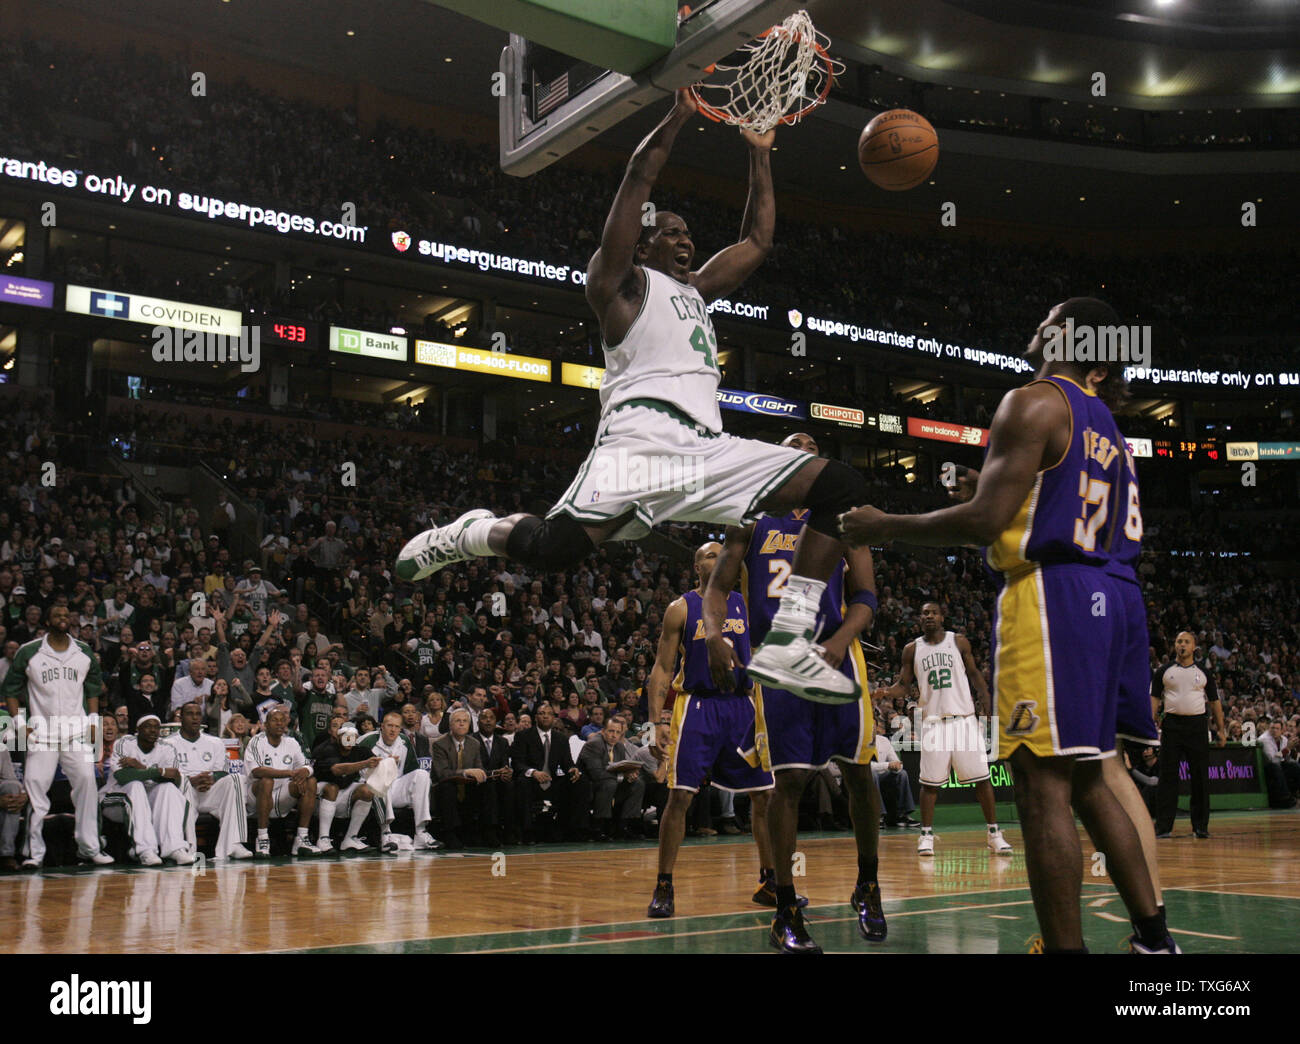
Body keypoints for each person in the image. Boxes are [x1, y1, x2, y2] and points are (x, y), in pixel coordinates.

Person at [395, 90, 878, 706]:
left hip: (707, 449)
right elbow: (639, 174)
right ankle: (472, 535)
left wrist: (759, 153)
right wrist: (679, 113)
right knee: (553, 550)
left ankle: (787, 639)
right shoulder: (617, 286)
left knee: (839, 485)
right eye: (672, 232)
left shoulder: (698, 292)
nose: (685, 241)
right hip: (637, 445)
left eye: (688, 234)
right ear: (643, 243)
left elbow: (757, 241)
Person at [840, 297, 1173, 954]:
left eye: (1054, 318)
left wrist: (885, 527)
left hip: (1053, 598)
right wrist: (990, 494)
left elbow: (986, 522)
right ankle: (1154, 939)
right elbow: (1029, 504)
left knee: (1038, 780)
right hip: (1112, 599)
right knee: (1085, 773)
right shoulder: (1100, 418)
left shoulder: (1033, 400)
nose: (1041, 322)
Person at [708, 431, 887, 952]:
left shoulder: (844, 516)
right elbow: (717, 588)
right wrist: (716, 634)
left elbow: (868, 596)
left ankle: (868, 883)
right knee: (787, 784)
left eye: (812, 446)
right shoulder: (752, 514)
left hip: (837, 657)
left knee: (859, 774)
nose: (804, 448)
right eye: (793, 445)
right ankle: (785, 907)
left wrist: (838, 641)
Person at [643, 542, 781, 923]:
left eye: (724, 553)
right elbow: (662, 666)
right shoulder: (681, 608)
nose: (718, 558)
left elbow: (750, 560)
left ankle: (771, 882)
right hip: (698, 706)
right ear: (696, 567)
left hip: (742, 704)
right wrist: (656, 721)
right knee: (679, 797)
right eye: (709, 554)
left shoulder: (747, 603)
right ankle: (664, 886)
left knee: (765, 797)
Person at [875, 602, 1012, 856]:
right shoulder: (911, 649)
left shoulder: (958, 641)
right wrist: (885, 691)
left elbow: (975, 677)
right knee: (930, 785)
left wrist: (988, 709)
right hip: (934, 723)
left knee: (982, 779)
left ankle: (994, 833)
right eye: (924, 612)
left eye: (933, 612)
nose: (928, 616)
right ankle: (925, 836)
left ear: (942, 616)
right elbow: (904, 685)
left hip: (964, 719)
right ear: (920, 618)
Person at [1, 604, 113, 868]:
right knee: (36, 788)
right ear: (47, 620)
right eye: (57, 616)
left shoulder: (83, 651)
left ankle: (90, 848)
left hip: (76, 731)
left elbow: (93, 690)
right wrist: (18, 723)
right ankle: (34, 853)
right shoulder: (29, 651)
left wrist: (94, 720)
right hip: (42, 732)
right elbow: (10, 689)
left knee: (87, 783)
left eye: (66, 615)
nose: (63, 619)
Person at [1152, 632, 1226, 839]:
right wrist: (1151, 723)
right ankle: (1164, 826)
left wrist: (1221, 729)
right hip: (1172, 726)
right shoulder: (1164, 671)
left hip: (1197, 726)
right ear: (1174, 646)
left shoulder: (1203, 672)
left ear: (1194, 647)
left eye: (1186, 642)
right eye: (1178, 642)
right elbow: (1154, 699)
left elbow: (1215, 702)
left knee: (1200, 777)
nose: (1182, 645)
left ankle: (1200, 826)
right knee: (1167, 777)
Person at [164, 701, 253, 861]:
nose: (195, 718)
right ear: (181, 717)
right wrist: (192, 780)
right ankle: (188, 848)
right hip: (183, 792)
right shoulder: (168, 743)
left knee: (237, 779)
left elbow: (223, 770)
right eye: (190, 714)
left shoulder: (215, 742)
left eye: (198, 714)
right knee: (182, 782)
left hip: (209, 790)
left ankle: (234, 843)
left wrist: (211, 778)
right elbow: (168, 775)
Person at [102, 714, 195, 865]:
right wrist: (159, 771)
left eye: (156, 727)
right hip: (115, 800)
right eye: (148, 726)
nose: (153, 730)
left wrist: (141, 768)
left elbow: (174, 778)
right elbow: (122, 776)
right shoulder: (124, 743)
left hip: (147, 802)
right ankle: (146, 850)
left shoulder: (167, 747)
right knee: (136, 785)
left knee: (168, 788)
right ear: (138, 729)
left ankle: (175, 848)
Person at [355, 711, 439, 851]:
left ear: (400, 728)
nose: (393, 730)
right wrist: (385, 764)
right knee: (385, 771)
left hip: (396, 789)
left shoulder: (404, 741)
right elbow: (357, 770)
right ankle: (386, 833)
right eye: (389, 726)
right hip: (372, 789)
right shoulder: (366, 741)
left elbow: (412, 772)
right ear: (381, 726)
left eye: (396, 726)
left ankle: (421, 832)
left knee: (422, 774)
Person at [243, 705, 320, 857]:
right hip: (256, 798)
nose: (279, 723)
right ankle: (263, 838)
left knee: (310, 781)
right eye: (274, 720)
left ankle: (301, 839)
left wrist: (305, 771)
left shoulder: (291, 742)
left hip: (282, 796)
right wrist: (290, 772)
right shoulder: (256, 741)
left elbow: (307, 764)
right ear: (265, 725)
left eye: (282, 720)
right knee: (267, 780)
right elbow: (257, 771)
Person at [511, 701, 582, 843]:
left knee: (580, 782)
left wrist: (573, 769)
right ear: (536, 717)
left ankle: (572, 830)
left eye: (549, 714)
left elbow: (567, 763)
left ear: (553, 718)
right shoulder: (523, 736)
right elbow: (517, 762)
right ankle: (527, 831)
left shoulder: (561, 738)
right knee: (522, 784)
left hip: (552, 781)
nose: (545, 717)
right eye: (542, 714)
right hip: (531, 780)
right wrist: (533, 772)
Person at [313, 720, 382, 853]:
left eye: (352, 736)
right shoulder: (327, 749)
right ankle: (323, 838)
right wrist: (364, 764)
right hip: (320, 797)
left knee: (367, 791)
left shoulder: (361, 751)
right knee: (332, 788)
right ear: (338, 737)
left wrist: (390, 760)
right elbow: (337, 770)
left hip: (344, 793)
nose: (349, 739)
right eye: (345, 736)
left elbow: (378, 763)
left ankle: (350, 838)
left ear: (356, 738)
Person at [578, 716, 645, 841]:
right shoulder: (594, 744)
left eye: (618, 732)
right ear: (603, 731)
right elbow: (597, 774)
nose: (614, 735)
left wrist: (629, 775)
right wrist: (622, 776)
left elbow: (618, 768)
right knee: (609, 783)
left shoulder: (619, 746)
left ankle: (625, 826)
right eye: (611, 731)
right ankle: (599, 827)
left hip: (612, 783)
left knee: (638, 783)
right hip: (591, 786)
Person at [430, 708, 486, 850]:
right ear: (450, 725)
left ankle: (484, 831)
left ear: (469, 725)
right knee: (448, 787)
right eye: (458, 721)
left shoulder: (474, 744)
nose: (461, 724)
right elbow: (442, 773)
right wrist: (466, 772)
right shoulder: (439, 744)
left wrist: (483, 774)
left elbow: (479, 768)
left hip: (466, 786)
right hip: (444, 787)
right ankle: (450, 833)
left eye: (465, 721)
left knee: (485, 786)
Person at [871, 717, 919, 828]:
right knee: (872, 775)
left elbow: (896, 761)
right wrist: (888, 765)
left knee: (902, 774)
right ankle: (879, 816)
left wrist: (897, 767)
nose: (871, 728)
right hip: (867, 778)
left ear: (876, 727)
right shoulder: (859, 742)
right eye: (869, 725)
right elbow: (866, 767)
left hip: (883, 776)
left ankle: (903, 815)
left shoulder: (883, 741)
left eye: (873, 726)